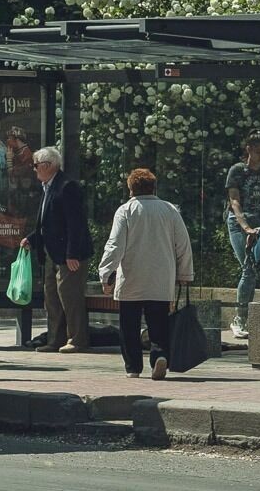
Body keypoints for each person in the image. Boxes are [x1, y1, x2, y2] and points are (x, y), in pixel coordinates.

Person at [99, 168, 194, 380]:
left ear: (131, 188)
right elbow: (183, 244)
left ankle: (133, 367)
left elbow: (115, 245)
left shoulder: (125, 211)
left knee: (129, 325)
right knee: (158, 322)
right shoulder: (169, 210)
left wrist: (106, 273)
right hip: (161, 277)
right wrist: (185, 273)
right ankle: (159, 355)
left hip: (132, 277)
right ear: (154, 187)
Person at [21, 146, 92, 353]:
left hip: (68, 254)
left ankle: (77, 340)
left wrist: (73, 254)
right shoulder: (48, 187)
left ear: (48, 165)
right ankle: (55, 340)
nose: (34, 170)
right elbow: (48, 223)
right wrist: (32, 240)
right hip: (52, 253)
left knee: (70, 296)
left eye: (36, 166)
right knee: (51, 297)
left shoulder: (67, 186)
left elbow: (75, 223)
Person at [223, 133, 260, 342]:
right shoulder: (237, 171)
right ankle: (239, 319)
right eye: (259, 152)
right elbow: (234, 201)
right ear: (249, 149)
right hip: (238, 224)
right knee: (249, 268)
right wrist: (245, 227)